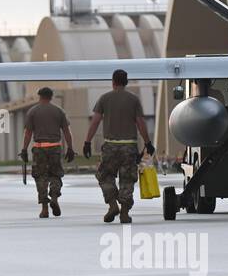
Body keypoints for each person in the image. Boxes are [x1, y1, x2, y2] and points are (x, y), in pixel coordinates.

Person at [83, 69, 155, 223]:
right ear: (126, 82)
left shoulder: (104, 99)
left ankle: (112, 204)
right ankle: (124, 213)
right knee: (127, 180)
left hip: (110, 146)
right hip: (129, 146)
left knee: (104, 176)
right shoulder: (134, 100)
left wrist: (87, 142)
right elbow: (141, 123)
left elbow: (95, 121)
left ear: (113, 82)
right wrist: (148, 142)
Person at [20, 87, 75, 218]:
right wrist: (70, 148)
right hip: (55, 147)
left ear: (39, 96)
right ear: (51, 97)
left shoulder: (32, 112)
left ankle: (45, 208)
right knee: (56, 175)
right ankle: (55, 198)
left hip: (39, 148)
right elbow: (67, 131)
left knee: (41, 177)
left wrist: (24, 149)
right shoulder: (59, 111)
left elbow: (28, 133)